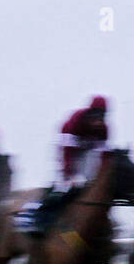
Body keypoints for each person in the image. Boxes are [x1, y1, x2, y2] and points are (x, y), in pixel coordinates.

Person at [31, 96, 109, 235]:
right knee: (64, 186)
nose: (97, 122)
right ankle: (40, 218)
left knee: (89, 184)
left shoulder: (104, 130)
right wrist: (69, 175)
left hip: (87, 153)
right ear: (89, 113)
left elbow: (101, 157)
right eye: (95, 117)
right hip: (67, 151)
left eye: (101, 117)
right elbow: (66, 153)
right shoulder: (75, 122)